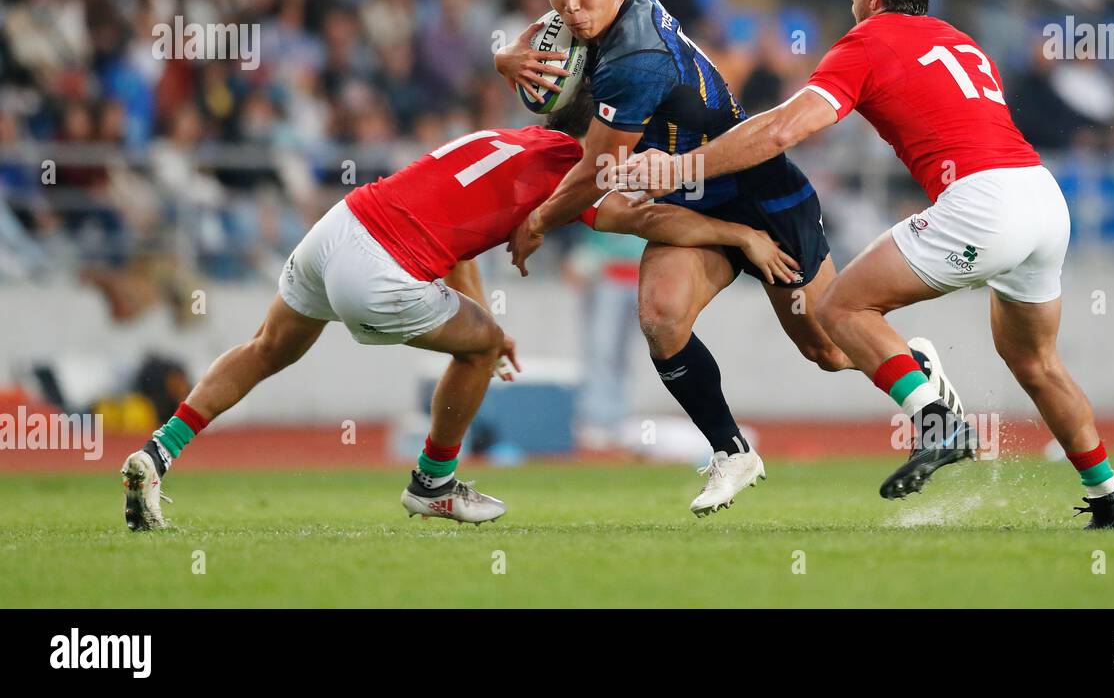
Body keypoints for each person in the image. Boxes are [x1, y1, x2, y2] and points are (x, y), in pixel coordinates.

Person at [618, 0, 1114, 529]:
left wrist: (681, 165)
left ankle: (937, 421)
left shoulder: (866, 41)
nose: (850, 0)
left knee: (840, 310)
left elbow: (785, 130)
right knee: (1036, 362)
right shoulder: (961, 41)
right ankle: (1111, 502)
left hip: (983, 202)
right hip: (1043, 198)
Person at [118, 86, 800, 531]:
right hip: (381, 268)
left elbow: (460, 237)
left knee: (267, 348)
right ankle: (433, 482)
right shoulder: (573, 168)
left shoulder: (500, 140)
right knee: (474, 349)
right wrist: (738, 233)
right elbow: (651, 223)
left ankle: (159, 452)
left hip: (339, 228)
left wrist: (485, 320)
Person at [496, 0, 967, 516]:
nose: (568, 7)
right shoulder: (605, 9)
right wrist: (505, 59)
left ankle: (916, 367)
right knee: (662, 317)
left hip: (762, 193)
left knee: (828, 350)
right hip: (694, 200)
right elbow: (541, 38)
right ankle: (732, 452)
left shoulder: (635, 59)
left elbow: (596, 174)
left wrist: (536, 221)